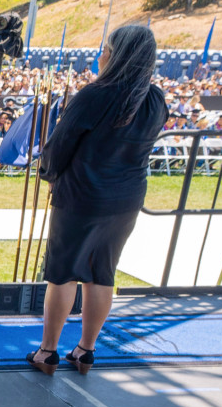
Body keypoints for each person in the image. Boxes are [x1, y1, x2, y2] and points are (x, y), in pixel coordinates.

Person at [27, 23, 169, 375]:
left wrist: (49, 175)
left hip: (82, 197)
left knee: (62, 274)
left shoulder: (94, 95)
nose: (100, 54)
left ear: (118, 55)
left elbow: (58, 147)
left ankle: (48, 351)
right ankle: (86, 351)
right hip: (125, 201)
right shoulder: (154, 100)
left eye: (106, 48)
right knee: (101, 275)